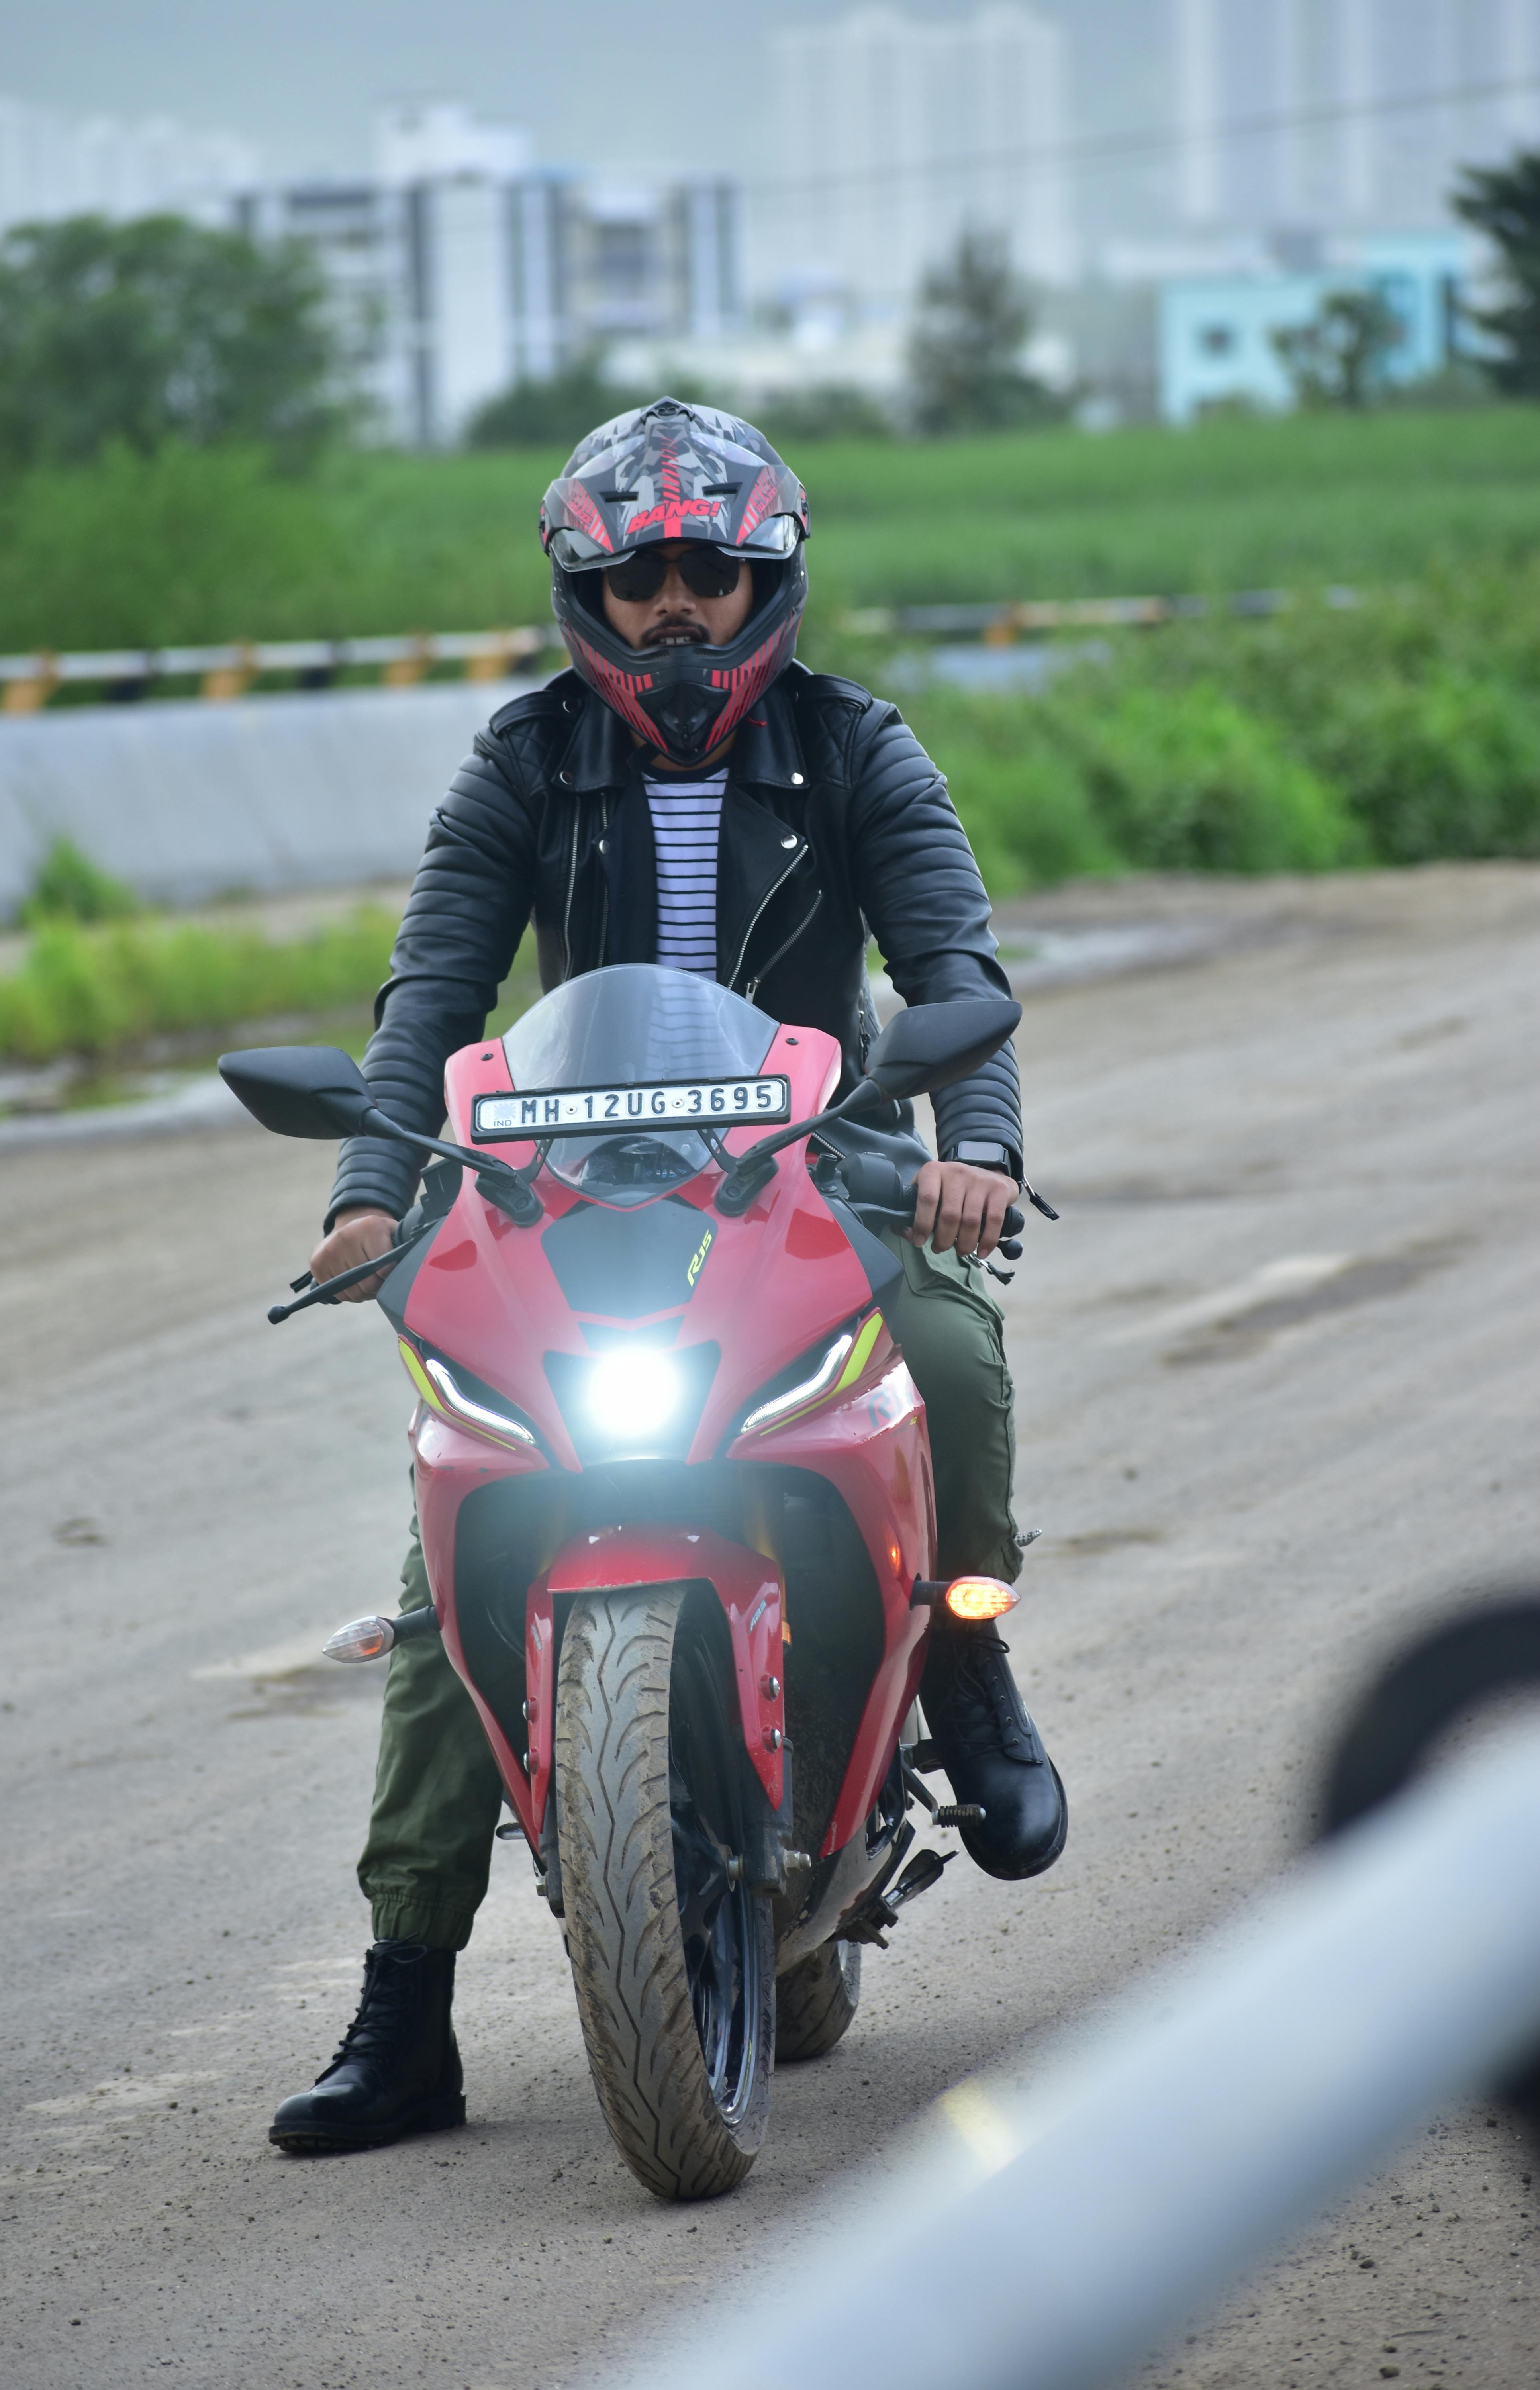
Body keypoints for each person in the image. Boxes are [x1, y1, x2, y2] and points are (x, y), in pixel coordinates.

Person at [270, 397, 1066, 2156]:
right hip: (565, 1187)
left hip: (817, 1165)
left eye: (709, 574)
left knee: (951, 1344)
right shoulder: (520, 760)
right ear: (585, 593)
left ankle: (963, 1661)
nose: (675, 612)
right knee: (445, 1544)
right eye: (638, 583)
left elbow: (953, 964)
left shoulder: (859, 747)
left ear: (766, 579)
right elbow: (432, 1000)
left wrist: (976, 1154)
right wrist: (367, 1191)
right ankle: (405, 2011)